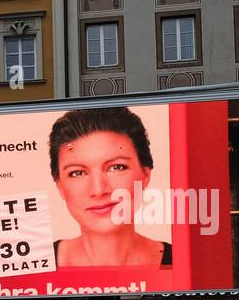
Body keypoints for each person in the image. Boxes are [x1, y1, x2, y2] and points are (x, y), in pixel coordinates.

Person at [48, 106, 171, 268]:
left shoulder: (185, 263)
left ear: (145, 175)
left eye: (116, 167)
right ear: (60, 186)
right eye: (77, 173)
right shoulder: (31, 267)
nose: (98, 190)